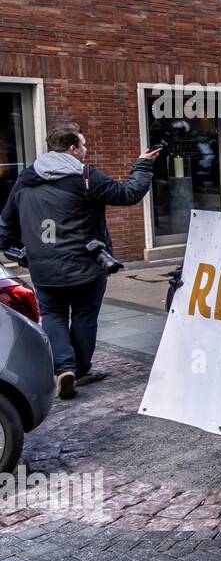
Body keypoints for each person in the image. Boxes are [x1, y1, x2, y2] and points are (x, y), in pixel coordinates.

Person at [0, 123, 159, 399]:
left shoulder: (26, 178)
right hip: (86, 265)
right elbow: (128, 194)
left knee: (52, 314)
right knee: (85, 316)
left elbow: (6, 224)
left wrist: (21, 252)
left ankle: (63, 367)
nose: (85, 151)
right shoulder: (85, 176)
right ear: (73, 148)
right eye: (83, 146)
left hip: (44, 267)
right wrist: (143, 166)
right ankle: (81, 369)